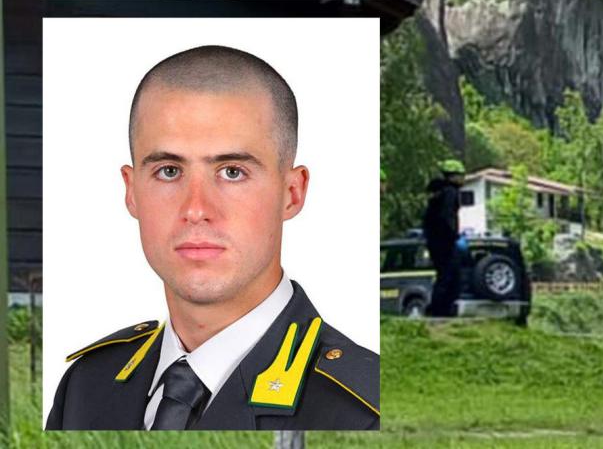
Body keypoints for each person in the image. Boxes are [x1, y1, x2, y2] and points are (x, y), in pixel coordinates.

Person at [46, 45, 378, 430]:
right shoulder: (86, 387)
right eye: (169, 171)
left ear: (292, 193)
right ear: (131, 190)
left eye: (232, 172)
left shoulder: (363, 412)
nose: (196, 208)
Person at [422, 159, 467, 318]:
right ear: (453, 176)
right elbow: (447, 217)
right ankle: (440, 311)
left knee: (445, 275)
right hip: (445, 241)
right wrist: (454, 235)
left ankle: (439, 309)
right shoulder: (450, 193)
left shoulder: (438, 192)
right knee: (450, 276)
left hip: (434, 240)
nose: (463, 179)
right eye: (461, 175)